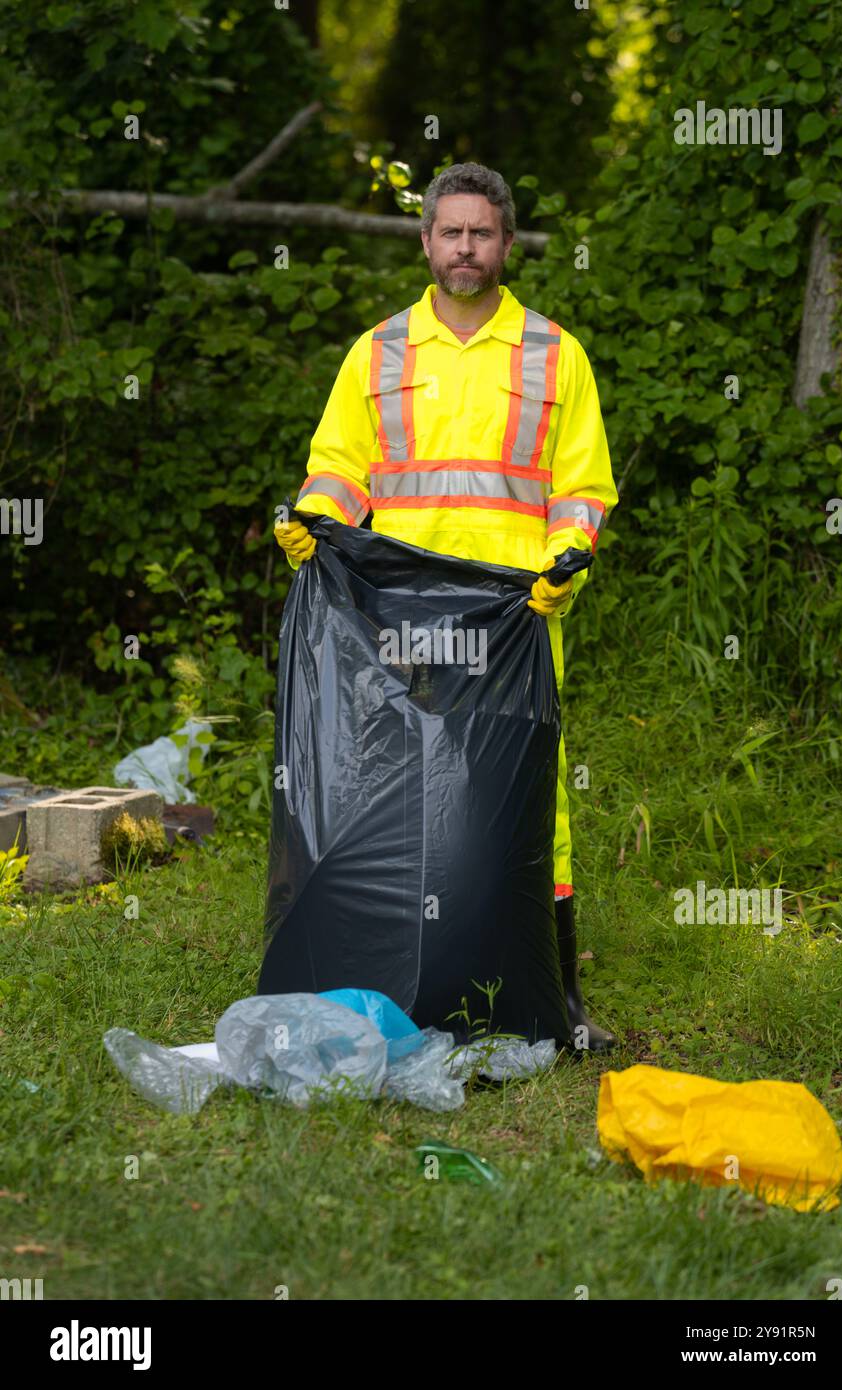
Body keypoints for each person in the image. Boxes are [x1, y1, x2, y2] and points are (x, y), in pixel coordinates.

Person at [275, 162, 619, 1052]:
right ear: (425, 241)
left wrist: (565, 563)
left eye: (483, 232)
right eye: (451, 232)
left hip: (514, 616)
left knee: (530, 795)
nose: (466, 247)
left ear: (508, 243)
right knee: (393, 781)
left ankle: (556, 996)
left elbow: (582, 485)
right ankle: (396, 977)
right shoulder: (378, 352)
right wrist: (316, 521)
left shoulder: (553, 353)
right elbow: (340, 466)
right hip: (392, 614)